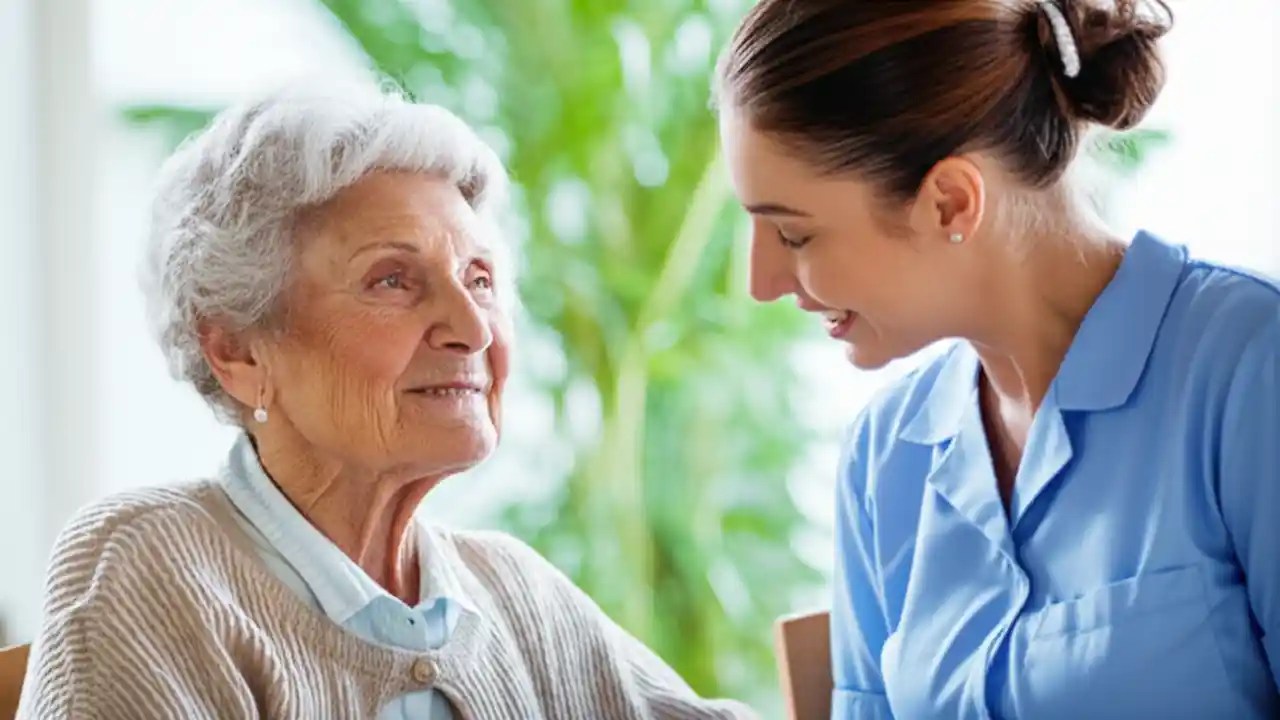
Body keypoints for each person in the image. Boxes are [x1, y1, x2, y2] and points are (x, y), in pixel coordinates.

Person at [18, 81, 757, 720]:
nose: (471, 330)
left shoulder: (512, 593)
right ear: (237, 351)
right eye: (392, 281)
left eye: (480, 279)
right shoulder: (153, 569)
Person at [715, 0, 1278, 718]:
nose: (761, 284)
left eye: (794, 235)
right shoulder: (885, 458)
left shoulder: (1248, 370)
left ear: (951, 202)